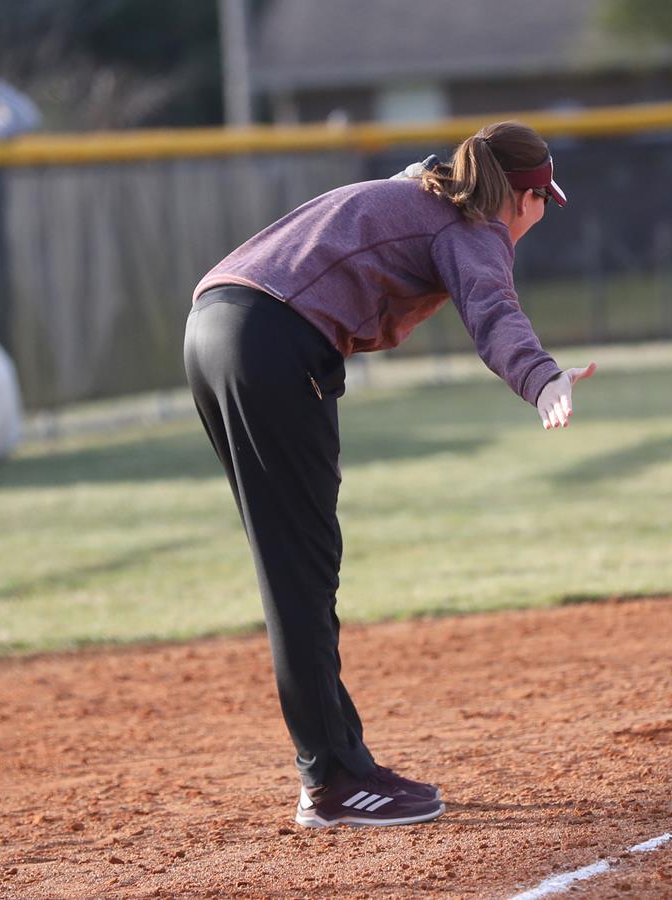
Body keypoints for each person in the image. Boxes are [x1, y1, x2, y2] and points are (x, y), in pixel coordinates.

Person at [185, 120, 593, 827]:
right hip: (273, 340)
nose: (536, 219)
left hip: (214, 326)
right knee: (302, 571)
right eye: (541, 204)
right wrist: (542, 378)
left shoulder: (423, 191)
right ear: (524, 197)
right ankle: (334, 780)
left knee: (294, 564)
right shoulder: (471, 225)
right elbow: (494, 311)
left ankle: (335, 767)